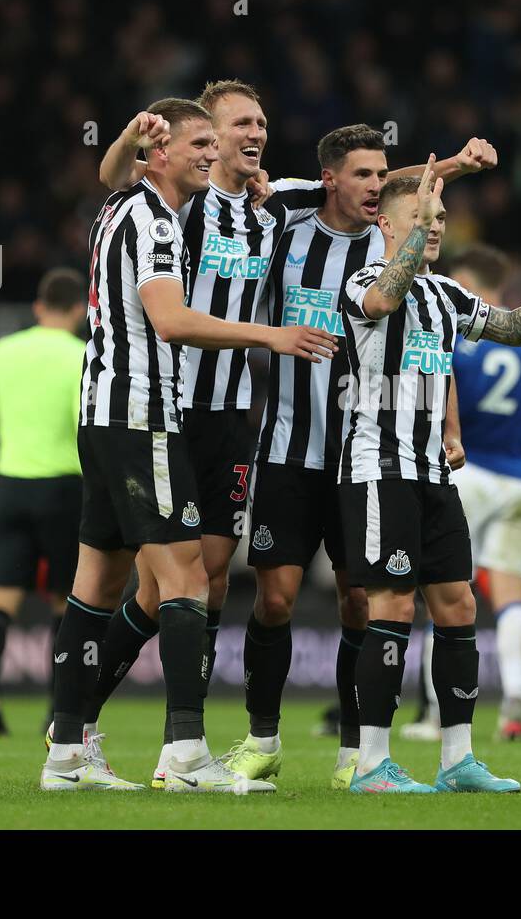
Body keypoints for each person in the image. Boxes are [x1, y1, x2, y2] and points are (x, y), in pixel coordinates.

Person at [40, 97, 336, 792]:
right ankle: (185, 754)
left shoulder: (125, 207)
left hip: (107, 414)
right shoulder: (155, 221)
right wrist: (271, 336)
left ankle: (66, 752)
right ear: (161, 152)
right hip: (145, 415)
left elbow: (112, 171)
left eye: (216, 141)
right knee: (187, 582)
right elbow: (170, 321)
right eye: (199, 141)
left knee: (95, 588)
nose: (213, 152)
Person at [221, 123, 497, 789]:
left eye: (384, 178)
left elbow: (431, 351)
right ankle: (262, 739)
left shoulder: (391, 253)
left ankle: (356, 751)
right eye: (363, 176)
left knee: (360, 604)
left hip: (365, 460)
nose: (376, 187)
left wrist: (450, 424)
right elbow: (346, 177)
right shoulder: (285, 215)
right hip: (289, 444)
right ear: (331, 180)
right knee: (277, 600)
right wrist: (453, 165)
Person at [338, 161, 521, 793]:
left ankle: (457, 759)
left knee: (459, 602)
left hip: (433, 472)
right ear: (386, 223)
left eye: (438, 219)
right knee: (391, 604)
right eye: (421, 218)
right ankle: (371, 764)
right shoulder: (360, 280)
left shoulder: (445, 295)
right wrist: (413, 228)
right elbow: (385, 297)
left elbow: (515, 329)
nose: (434, 227)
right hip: (378, 466)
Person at [442, 244, 521, 741]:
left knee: (447, 592)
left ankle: (433, 714)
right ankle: (513, 703)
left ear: (470, 282)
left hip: (465, 472)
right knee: (512, 595)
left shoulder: (459, 337)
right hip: (519, 480)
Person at [0, 268, 86, 735]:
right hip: (62, 487)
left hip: (10, 485)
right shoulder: (82, 355)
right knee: (64, 604)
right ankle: (55, 711)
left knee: (0, 599)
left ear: (39, 305)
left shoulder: (4, 350)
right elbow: (87, 421)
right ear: (80, 310)